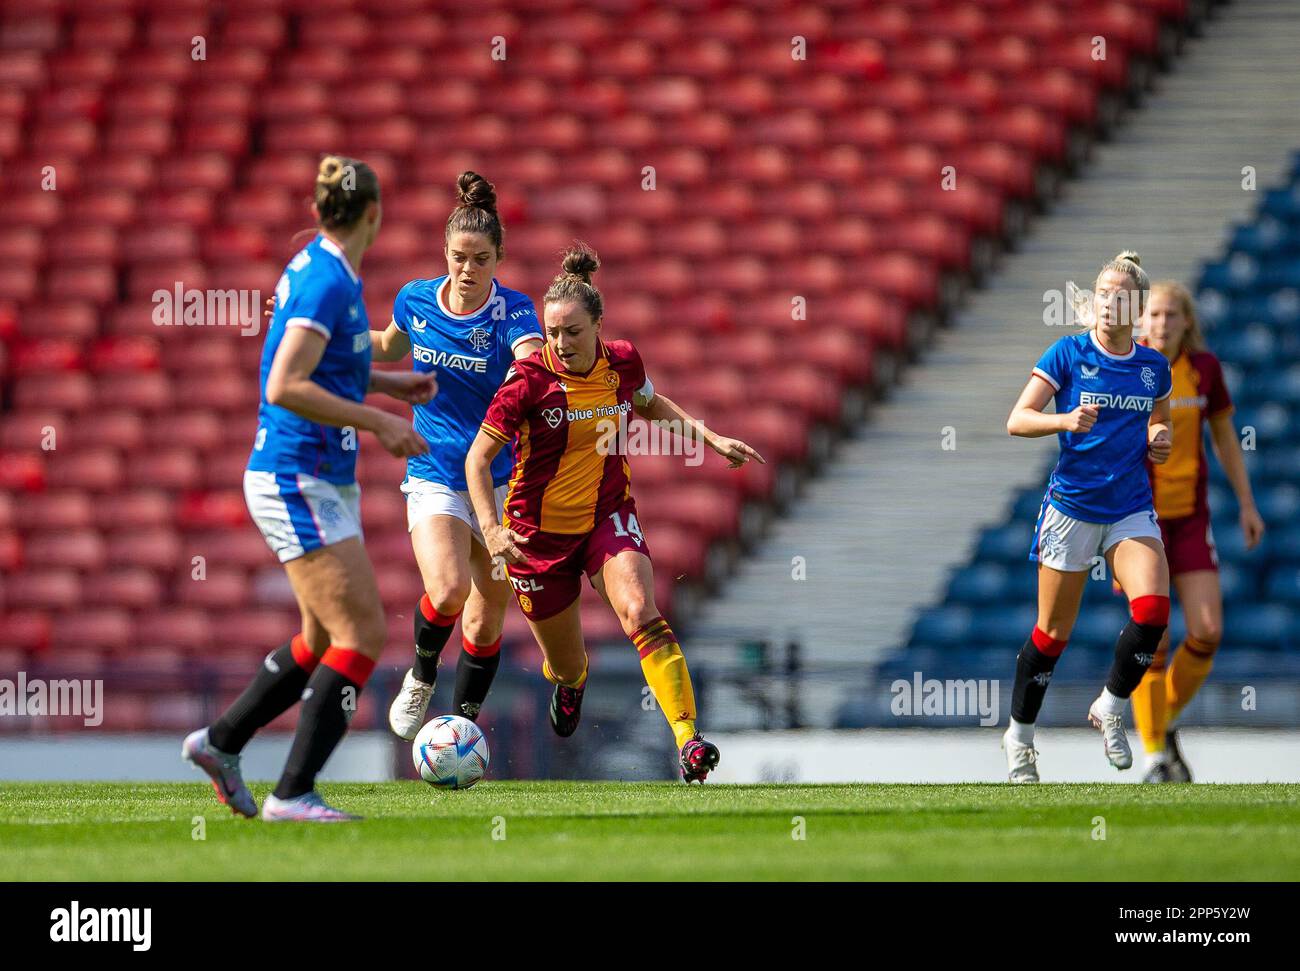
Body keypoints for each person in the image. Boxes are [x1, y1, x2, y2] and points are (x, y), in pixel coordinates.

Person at [183, 155, 435, 821]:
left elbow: (328, 367)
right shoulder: (327, 281)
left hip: (313, 474)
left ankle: (221, 740)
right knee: (363, 633)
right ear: (374, 214)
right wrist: (379, 419)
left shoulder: (325, 270)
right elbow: (285, 384)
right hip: (298, 475)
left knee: (322, 640)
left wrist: (389, 383)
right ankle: (293, 792)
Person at [465, 244, 765, 781]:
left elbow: (650, 403)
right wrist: (491, 529)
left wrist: (711, 438)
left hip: (607, 517)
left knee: (639, 610)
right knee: (568, 663)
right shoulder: (527, 383)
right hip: (536, 540)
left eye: (572, 332)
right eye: (553, 333)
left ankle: (688, 741)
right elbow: (478, 457)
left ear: (598, 326)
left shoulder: (623, 361)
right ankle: (572, 684)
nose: (560, 343)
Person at [373, 172, 544, 740]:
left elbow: (529, 357)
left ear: (498, 259)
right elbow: (385, 347)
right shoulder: (416, 299)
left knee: (489, 608)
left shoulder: (513, 312)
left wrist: (534, 370)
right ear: (443, 252)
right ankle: (421, 677)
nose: (468, 271)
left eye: (481, 260)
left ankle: (463, 728)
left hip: (498, 480)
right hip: (435, 472)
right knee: (447, 589)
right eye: (459, 257)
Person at [1001, 251, 1173, 783]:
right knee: (1052, 633)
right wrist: (1065, 420)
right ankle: (1021, 738)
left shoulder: (1153, 366)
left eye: (1119, 296)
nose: (1107, 303)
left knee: (1153, 613)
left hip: (1128, 508)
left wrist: (1158, 436)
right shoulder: (1068, 353)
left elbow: (1159, 415)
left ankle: (1111, 707)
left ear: (1136, 308)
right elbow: (1017, 420)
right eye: (1101, 293)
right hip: (1072, 507)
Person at [1129, 281, 1265, 781]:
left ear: (1187, 322)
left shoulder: (1204, 371)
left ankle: (1160, 722)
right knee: (1153, 638)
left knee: (1207, 629)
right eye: (1155, 315)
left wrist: (1247, 503)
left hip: (1190, 517)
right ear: (1142, 322)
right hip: (1137, 521)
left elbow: (1226, 437)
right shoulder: (1126, 366)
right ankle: (1152, 757)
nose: (1162, 323)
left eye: (1171, 315)